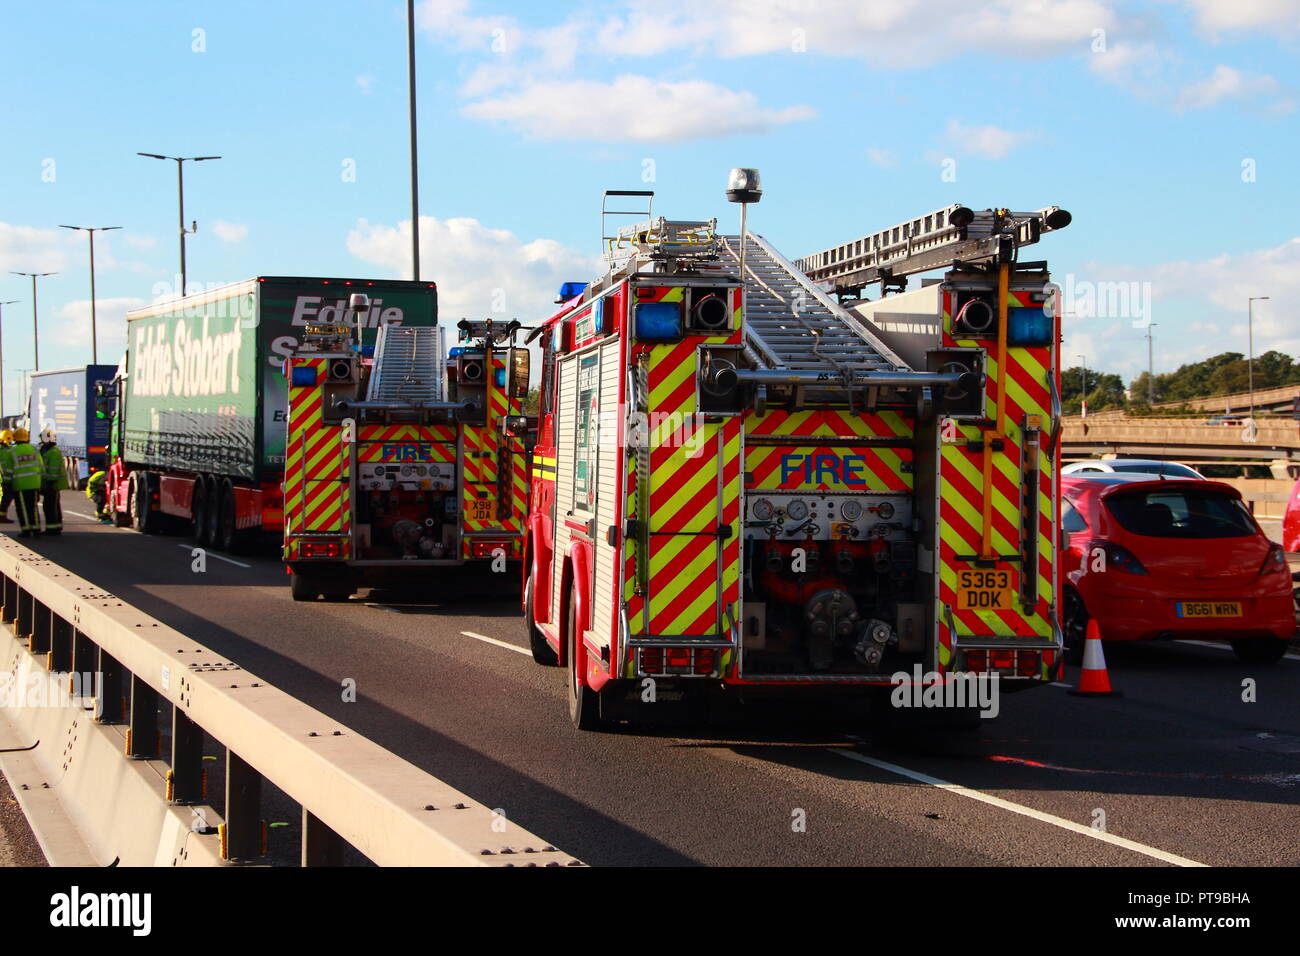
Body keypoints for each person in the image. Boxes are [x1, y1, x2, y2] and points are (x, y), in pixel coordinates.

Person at [9, 428, 43, 538]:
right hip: (35, 482)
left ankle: (26, 530)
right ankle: (36, 528)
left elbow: (8, 469)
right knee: (33, 507)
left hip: (20, 484)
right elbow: (41, 465)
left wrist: (7, 481)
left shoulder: (13, 451)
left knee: (22, 508)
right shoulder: (34, 449)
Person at [38, 425, 67, 535]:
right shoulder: (47, 450)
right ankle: (56, 527)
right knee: (53, 506)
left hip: (52, 483)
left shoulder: (53, 452)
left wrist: (50, 482)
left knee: (49, 507)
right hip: (50, 482)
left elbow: (53, 470)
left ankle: (52, 529)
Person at [0, 429, 13, 524]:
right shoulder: (7, 451)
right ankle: (2, 516)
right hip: (5, 478)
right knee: (6, 497)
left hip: (3, 477)